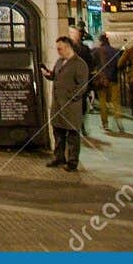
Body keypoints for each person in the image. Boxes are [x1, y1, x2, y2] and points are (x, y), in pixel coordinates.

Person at [43, 35, 88, 171]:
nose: (58, 51)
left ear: (68, 48)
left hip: (70, 106)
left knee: (72, 135)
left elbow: (82, 85)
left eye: (60, 49)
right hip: (58, 104)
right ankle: (59, 157)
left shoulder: (79, 64)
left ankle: (72, 161)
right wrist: (48, 74)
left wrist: (70, 97)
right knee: (58, 132)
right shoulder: (59, 61)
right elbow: (55, 76)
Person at [94, 33, 123, 133]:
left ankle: (105, 123)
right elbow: (119, 64)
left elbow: (93, 63)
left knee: (103, 102)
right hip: (113, 79)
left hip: (101, 80)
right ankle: (118, 119)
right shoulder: (115, 51)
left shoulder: (97, 51)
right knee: (115, 101)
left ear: (101, 41)